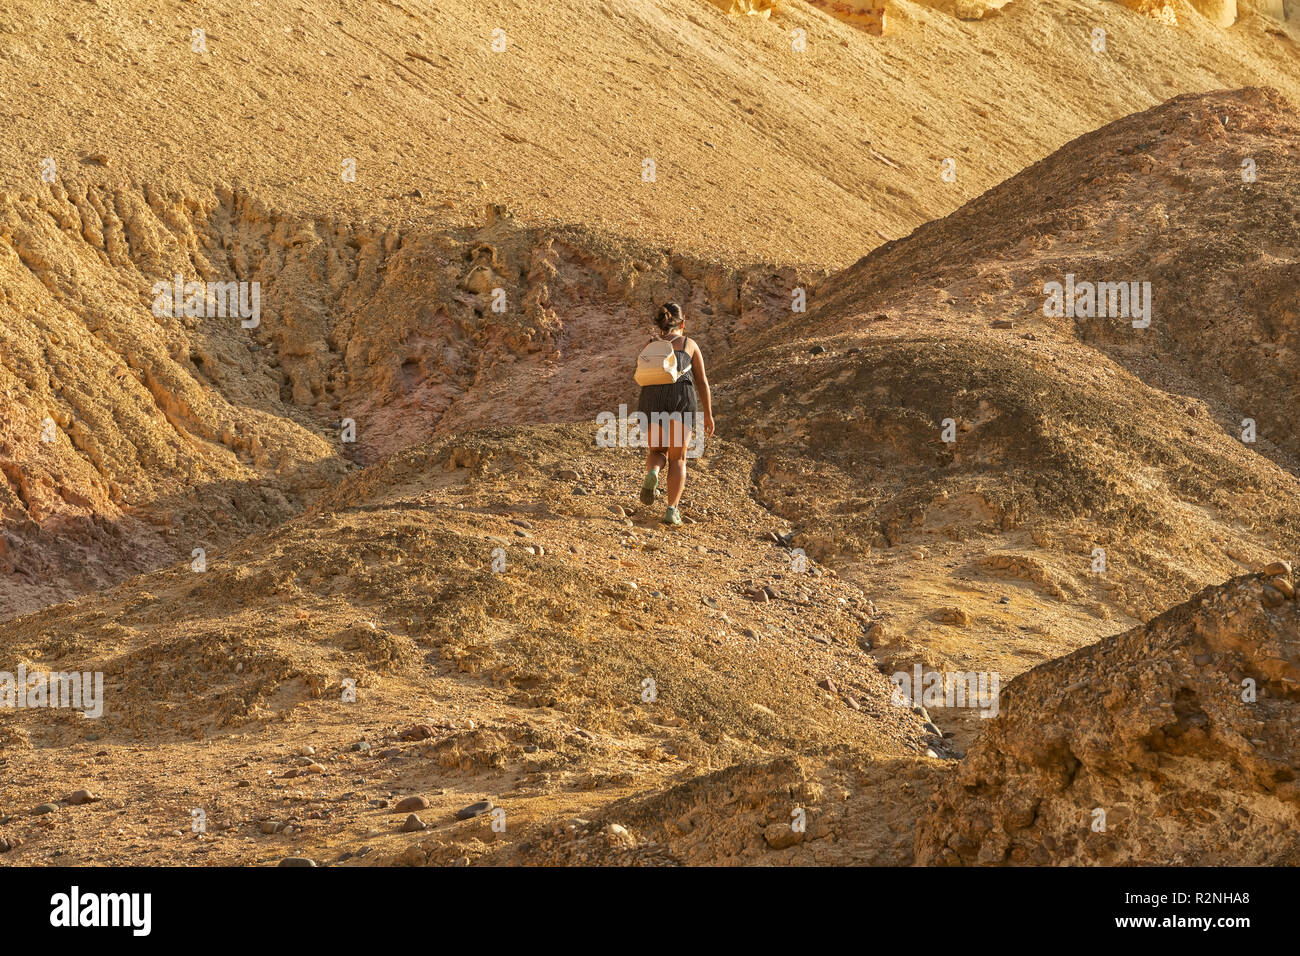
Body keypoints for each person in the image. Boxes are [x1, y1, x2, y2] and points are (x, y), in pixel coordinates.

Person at [636, 302, 714, 525]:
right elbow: (702, 382)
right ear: (683, 323)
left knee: (657, 450)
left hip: (652, 399)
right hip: (681, 398)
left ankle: (653, 472)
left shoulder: (650, 344)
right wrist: (708, 414)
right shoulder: (689, 344)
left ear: (661, 324)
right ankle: (671, 510)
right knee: (678, 458)